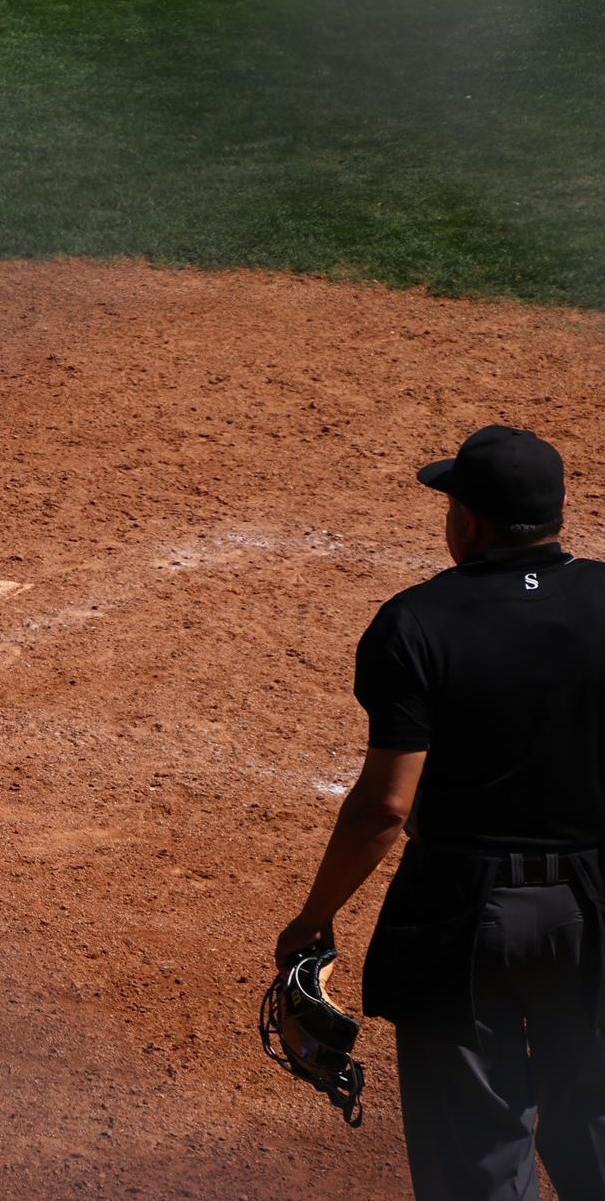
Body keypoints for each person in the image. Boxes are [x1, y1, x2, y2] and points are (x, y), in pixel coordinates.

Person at [276, 424, 605, 1199]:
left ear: (470, 522)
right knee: (597, 1126)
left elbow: (383, 810)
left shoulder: (415, 622)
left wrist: (314, 916)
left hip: (462, 918)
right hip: (595, 908)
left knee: (477, 1155)